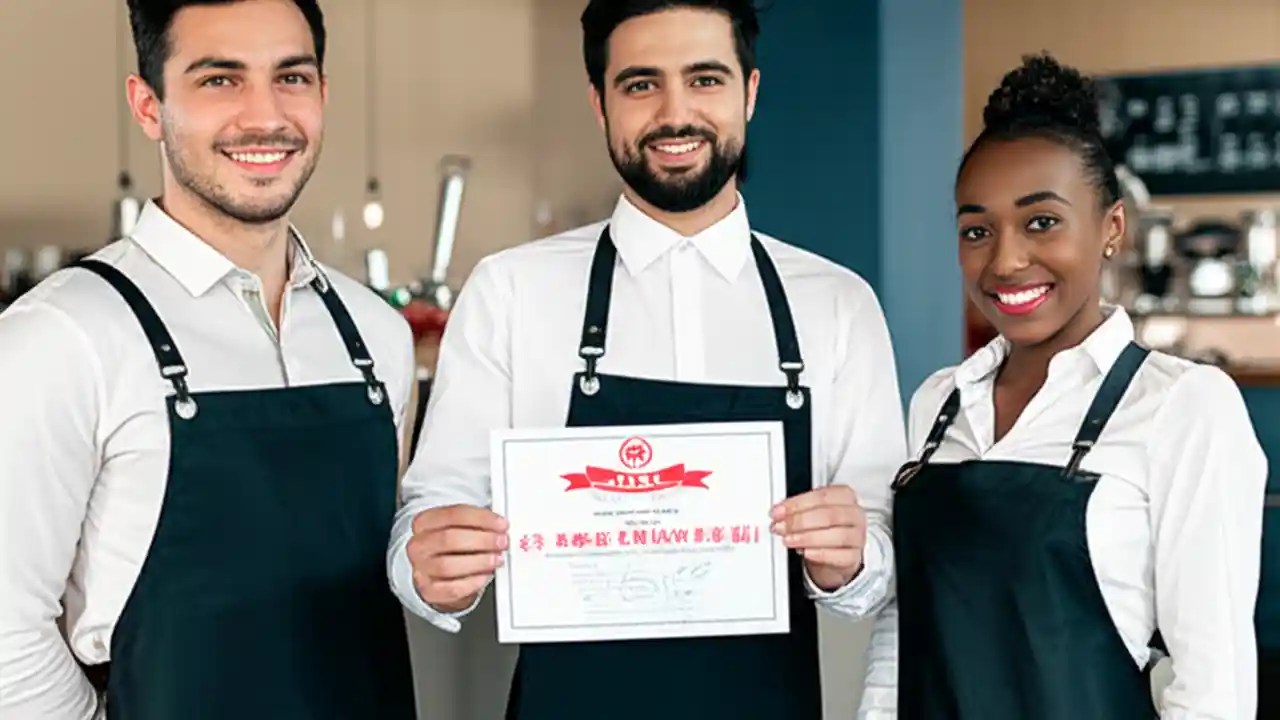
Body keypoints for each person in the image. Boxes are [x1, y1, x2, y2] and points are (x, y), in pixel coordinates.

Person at [387, 1, 907, 718]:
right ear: (599, 103)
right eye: (640, 84)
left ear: (750, 92)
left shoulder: (837, 305)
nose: (674, 113)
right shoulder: (510, 291)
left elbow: (881, 556)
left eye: (705, 80)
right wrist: (431, 568)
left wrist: (849, 557)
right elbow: (428, 515)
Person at [0, 1, 419, 718]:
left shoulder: (377, 335)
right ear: (148, 105)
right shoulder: (62, 335)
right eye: (220, 80)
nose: (265, 116)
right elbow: (7, 638)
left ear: (323, 94)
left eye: (291, 77)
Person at [857, 53, 1267, 720]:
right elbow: (900, 642)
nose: (1005, 260)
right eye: (976, 231)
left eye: (1041, 222)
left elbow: (1214, 690)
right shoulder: (937, 404)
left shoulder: (1183, 405)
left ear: (1111, 228)